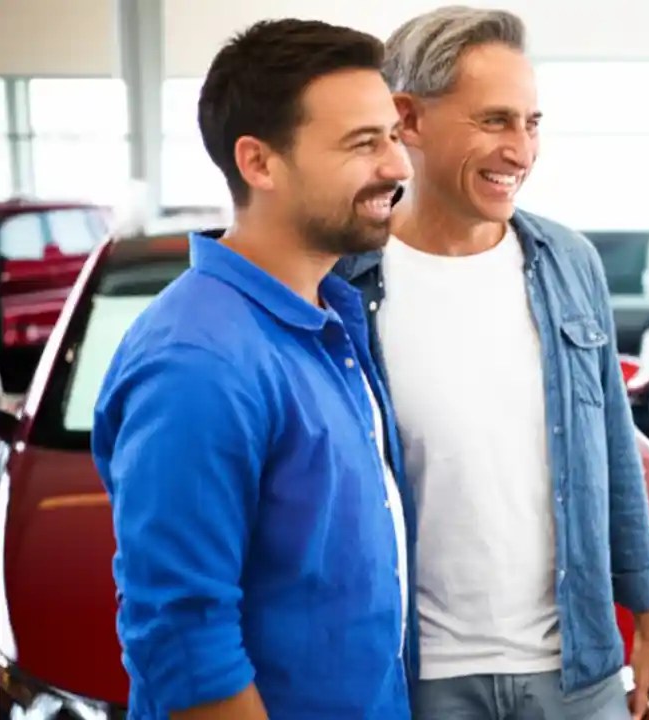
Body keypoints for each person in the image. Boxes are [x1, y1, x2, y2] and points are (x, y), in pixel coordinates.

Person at [332, 7, 649, 720]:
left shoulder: (567, 263)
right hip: (417, 677)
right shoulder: (342, 280)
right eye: (494, 121)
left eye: (532, 122)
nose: (521, 150)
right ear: (410, 121)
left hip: (574, 670)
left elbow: (614, 448)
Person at [91, 19, 414, 720]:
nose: (398, 166)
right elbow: (183, 642)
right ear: (260, 163)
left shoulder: (330, 315)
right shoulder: (197, 362)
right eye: (364, 143)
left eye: (392, 136)